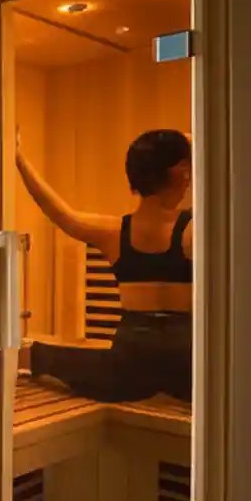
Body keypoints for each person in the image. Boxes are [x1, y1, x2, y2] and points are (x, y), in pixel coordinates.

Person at [16, 128, 192, 403]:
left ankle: (22, 356)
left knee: (54, 358)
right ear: (179, 173)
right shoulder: (195, 229)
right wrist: (194, 145)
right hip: (186, 357)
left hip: (130, 362)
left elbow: (60, 212)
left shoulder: (113, 232)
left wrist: (20, 161)